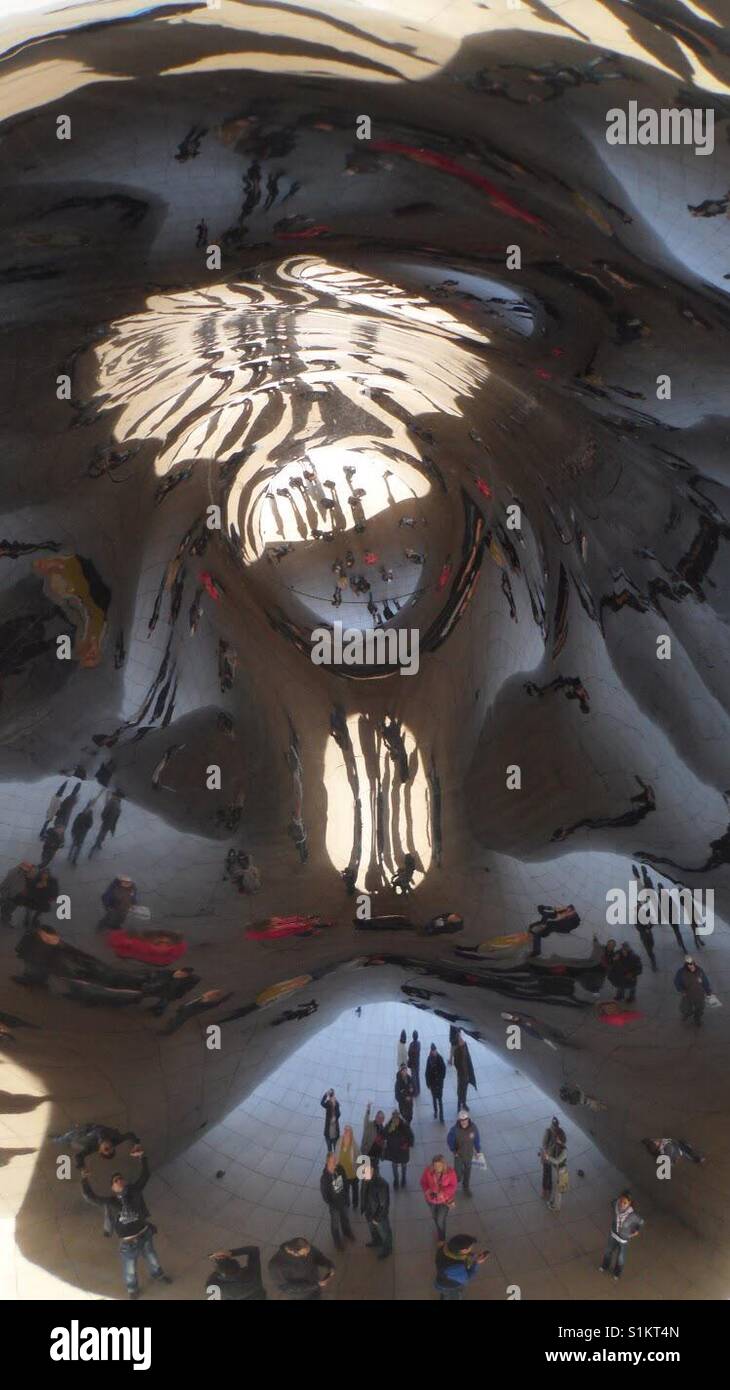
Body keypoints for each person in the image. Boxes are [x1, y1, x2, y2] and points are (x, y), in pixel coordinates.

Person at [81, 1148, 172, 1300]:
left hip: (145, 1234)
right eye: (115, 1181)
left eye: (120, 1178)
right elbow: (90, 1197)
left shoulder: (135, 1191)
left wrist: (142, 1157)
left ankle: (159, 1275)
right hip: (128, 1243)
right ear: (112, 1188)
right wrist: (84, 1180)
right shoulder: (111, 1202)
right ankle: (132, 1289)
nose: (118, 1181)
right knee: (129, 1270)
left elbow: (145, 1175)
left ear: (125, 1181)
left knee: (152, 1258)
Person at [51, 1122, 140, 1170]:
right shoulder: (115, 1139)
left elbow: (79, 1156)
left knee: (67, 1137)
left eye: (106, 1149)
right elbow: (129, 1135)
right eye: (112, 1147)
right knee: (99, 1130)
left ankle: (57, 1139)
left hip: (84, 1134)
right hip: (94, 1127)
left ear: (100, 1150)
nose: (109, 1146)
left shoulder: (92, 1148)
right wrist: (136, 1144)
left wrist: (82, 1166)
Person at [268, 1238, 334, 1299]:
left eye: (308, 1252)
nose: (306, 1255)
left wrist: (329, 1265)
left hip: (315, 1286)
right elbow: (285, 1287)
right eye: (303, 1254)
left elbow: (318, 1256)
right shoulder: (275, 1265)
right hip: (301, 1296)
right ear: (292, 1251)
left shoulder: (306, 1248)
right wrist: (315, 1285)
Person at [599, 1192, 644, 1281]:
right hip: (613, 1235)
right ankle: (605, 1266)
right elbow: (612, 1202)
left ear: (629, 1203)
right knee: (608, 1251)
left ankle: (617, 1273)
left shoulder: (633, 1216)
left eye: (625, 1203)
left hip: (623, 1240)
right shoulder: (616, 1205)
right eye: (621, 1201)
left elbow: (641, 1222)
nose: (622, 1204)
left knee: (621, 1258)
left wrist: (636, 1231)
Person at [434, 1234, 489, 1301]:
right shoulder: (456, 1268)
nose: (472, 1248)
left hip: (441, 1280)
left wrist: (472, 1255)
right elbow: (467, 1277)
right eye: (470, 1247)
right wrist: (477, 1263)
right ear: (464, 1250)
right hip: (449, 1287)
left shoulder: (445, 1248)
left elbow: (461, 1254)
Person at [320, 1153, 355, 1251]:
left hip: (343, 1200)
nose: (336, 1162)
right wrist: (332, 1204)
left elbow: (345, 1183)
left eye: (336, 1160)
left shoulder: (339, 1169)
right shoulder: (325, 1178)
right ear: (328, 1163)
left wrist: (346, 1197)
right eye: (333, 1161)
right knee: (335, 1224)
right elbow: (325, 1195)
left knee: (345, 1218)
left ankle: (347, 1232)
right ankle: (337, 1241)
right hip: (334, 1205)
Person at [420, 1154, 457, 1241]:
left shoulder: (450, 1172)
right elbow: (423, 1182)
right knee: (435, 1218)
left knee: (440, 1220)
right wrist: (427, 1190)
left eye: (439, 1165)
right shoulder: (428, 1171)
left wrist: (443, 1191)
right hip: (431, 1200)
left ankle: (442, 1239)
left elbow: (453, 1186)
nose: (437, 1167)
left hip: (444, 1201)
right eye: (435, 1165)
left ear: (443, 1164)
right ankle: (439, 1231)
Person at [361, 1160, 392, 1258]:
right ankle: (376, 1241)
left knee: (384, 1232)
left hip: (378, 1216)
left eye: (366, 1170)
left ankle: (387, 1248)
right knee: (373, 1230)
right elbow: (364, 1194)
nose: (364, 1172)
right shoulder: (365, 1180)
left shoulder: (381, 1184)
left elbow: (383, 1205)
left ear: (372, 1170)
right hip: (369, 1212)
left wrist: (377, 1218)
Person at [447, 1111, 482, 1197]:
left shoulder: (473, 1128)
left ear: (468, 1119)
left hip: (469, 1154)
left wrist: (478, 1151)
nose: (463, 1121)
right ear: (459, 1120)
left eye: (465, 1119)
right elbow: (449, 1140)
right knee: (458, 1176)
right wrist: (454, 1151)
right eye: (461, 1120)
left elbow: (476, 1140)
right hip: (458, 1155)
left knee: (468, 1172)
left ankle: (466, 1188)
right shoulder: (454, 1130)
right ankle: (455, 1180)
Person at [674, 955, 713, 1026]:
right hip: (688, 994)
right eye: (688, 964)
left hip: (699, 994)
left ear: (694, 963)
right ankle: (687, 1014)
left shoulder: (700, 970)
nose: (691, 965)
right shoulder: (681, 972)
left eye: (692, 963)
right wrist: (682, 990)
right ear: (686, 964)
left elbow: (705, 981)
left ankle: (697, 1018)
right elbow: (676, 982)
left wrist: (708, 991)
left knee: (700, 1008)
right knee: (685, 1008)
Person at [540, 1117, 567, 1212]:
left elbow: (557, 1160)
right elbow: (544, 1144)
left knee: (557, 1188)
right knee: (547, 1173)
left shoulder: (561, 1140)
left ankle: (555, 1203)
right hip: (552, 1159)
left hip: (557, 1162)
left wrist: (549, 1157)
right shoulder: (549, 1132)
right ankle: (546, 1190)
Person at [384, 1110, 414, 1190]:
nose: (395, 1120)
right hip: (393, 1151)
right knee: (394, 1166)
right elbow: (384, 1134)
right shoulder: (389, 1126)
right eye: (394, 1119)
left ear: (398, 1118)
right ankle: (396, 1180)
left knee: (404, 1166)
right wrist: (389, 1129)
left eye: (396, 1118)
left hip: (403, 1151)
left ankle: (403, 1179)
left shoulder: (404, 1126)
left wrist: (408, 1144)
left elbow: (411, 1136)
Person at [89, 790, 123, 857]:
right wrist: (104, 818)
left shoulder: (115, 802)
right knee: (102, 833)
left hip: (109, 822)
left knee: (103, 833)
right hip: (108, 821)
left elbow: (109, 812)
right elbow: (105, 811)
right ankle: (96, 845)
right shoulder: (113, 802)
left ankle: (98, 843)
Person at [0, 862, 35, 927]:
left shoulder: (29, 878)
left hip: (17, 898)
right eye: (30, 871)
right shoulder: (15, 875)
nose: (32, 873)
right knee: (7, 909)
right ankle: (5, 918)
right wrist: (6, 894)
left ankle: (5, 917)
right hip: (11, 897)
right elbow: (6, 885)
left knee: (8, 909)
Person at [449, 1031, 477, 1112]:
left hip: (466, 1073)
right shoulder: (457, 1051)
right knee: (460, 1089)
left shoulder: (464, 1046)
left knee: (465, 1090)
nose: (462, 1040)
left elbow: (468, 1059)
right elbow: (456, 1063)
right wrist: (460, 1069)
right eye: (460, 1039)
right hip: (461, 1074)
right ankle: (459, 1104)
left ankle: (463, 1103)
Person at [335, 1125, 359, 1209]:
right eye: (345, 1130)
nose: (345, 1132)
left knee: (355, 1190)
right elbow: (336, 1155)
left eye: (348, 1131)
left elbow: (359, 1158)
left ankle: (355, 1204)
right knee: (345, 1190)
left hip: (353, 1174)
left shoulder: (354, 1146)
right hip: (343, 1174)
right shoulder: (339, 1141)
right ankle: (346, 1203)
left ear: (351, 1134)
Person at [642, 1137, 706, 1166]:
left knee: (682, 1148)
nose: (655, 1142)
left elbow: (662, 1141)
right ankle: (696, 1159)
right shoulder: (653, 1147)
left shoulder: (654, 1143)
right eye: (654, 1142)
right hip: (671, 1153)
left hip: (671, 1150)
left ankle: (695, 1157)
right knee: (682, 1151)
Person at [361, 1103, 386, 1170]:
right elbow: (366, 1120)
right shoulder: (370, 1125)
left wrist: (383, 1154)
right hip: (367, 1154)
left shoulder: (383, 1130)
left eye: (382, 1118)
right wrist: (368, 1110)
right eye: (379, 1117)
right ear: (376, 1117)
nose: (380, 1119)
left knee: (375, 1174)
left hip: (376, 1156)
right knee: (366, 1175)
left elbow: (384, 1143)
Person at [425, 1042, 446, 1122]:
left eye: (435, 1050)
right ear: (431, 1051)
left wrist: (442, 1078)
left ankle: (441, 1116)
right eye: (433, 1050)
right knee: (434, 1099)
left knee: (440, 1100)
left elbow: (443, 1069)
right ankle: (435, 1111)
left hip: (439, 1083)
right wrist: (428, 1084)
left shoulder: (439, 1058)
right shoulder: (429, 1059)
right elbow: (427, 1073)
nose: (434, 1052)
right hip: (433, 1084)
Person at [321, 1089, 341, 1153]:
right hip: (328, 1135)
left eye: (332, 1095)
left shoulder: (336, 1104)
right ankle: (330, 1161)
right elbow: (322, 1103)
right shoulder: (328, 1104)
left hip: (335, 1135)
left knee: (336, 1150)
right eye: (331, 1096)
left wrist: (335, 1104)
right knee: (329, 1151)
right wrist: (325, 1095)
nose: (332, 1097)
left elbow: (338, 1113)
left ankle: (335, 1161)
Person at [408, 1029, 421, 1095]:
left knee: (414, 1078)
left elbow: (409, 1054)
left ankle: (415, 1092)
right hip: (417, 1063)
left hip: (413, 1064)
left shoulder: (411, 1045)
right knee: (417, 1076)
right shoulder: (419, 1043)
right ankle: (418, 1090)